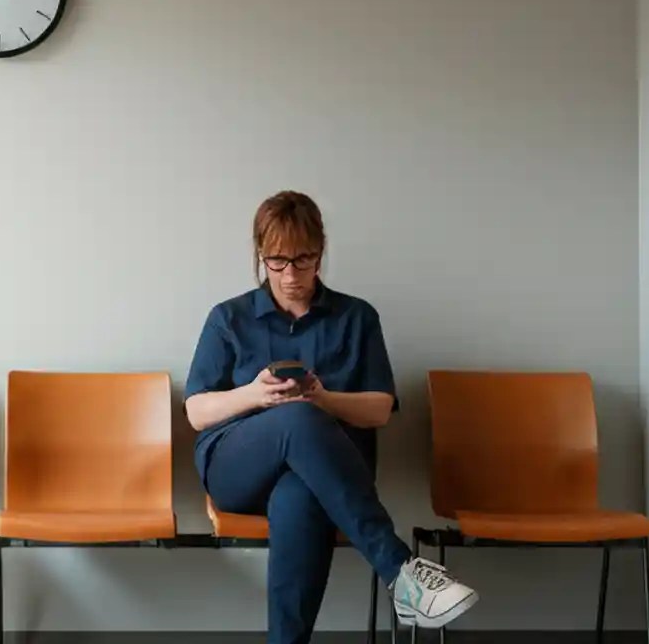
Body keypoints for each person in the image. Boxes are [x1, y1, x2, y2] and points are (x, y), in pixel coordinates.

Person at [184, 191, 477, 644]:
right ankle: (399, 571)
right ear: (261, 255)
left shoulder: (356, 317)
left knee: (299, 495)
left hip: (326, 475)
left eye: (303, 261)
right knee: (296, 419)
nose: (290, 275)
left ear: (321, 253)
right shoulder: (229, 317)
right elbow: (197, 411)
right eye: (277, 262)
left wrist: (325, 400)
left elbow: (379, 409)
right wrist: (254, 395)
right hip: (237, 469)